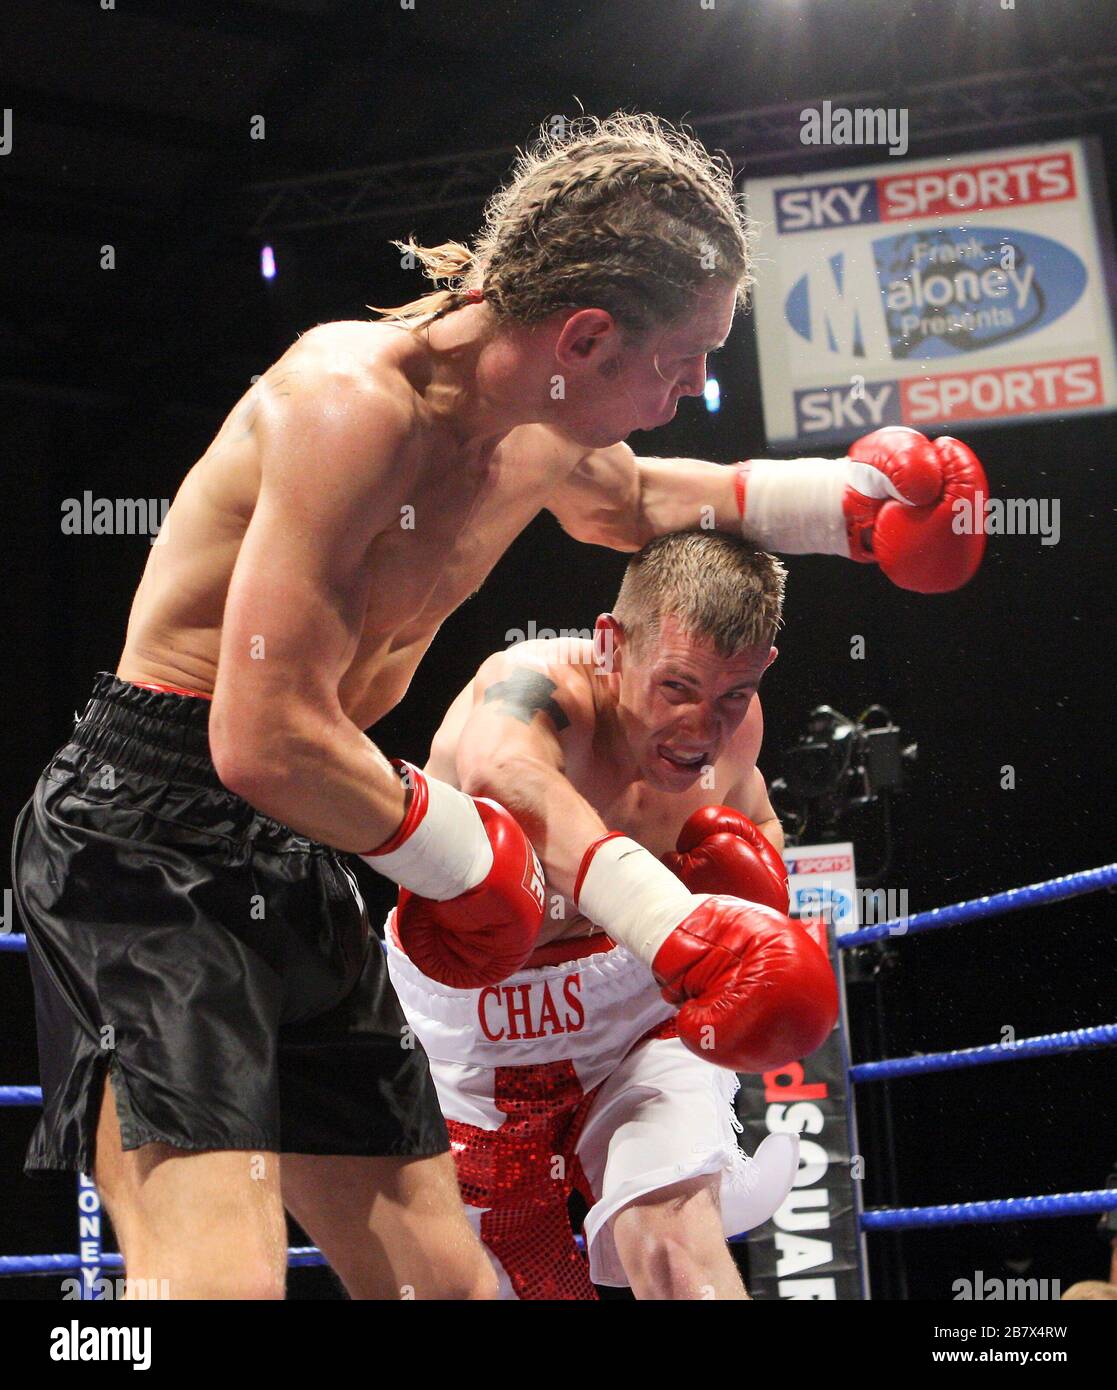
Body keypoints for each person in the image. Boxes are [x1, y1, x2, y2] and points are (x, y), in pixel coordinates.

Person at [12, 111, 985, 1300]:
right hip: (148, 831)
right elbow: (258, 731)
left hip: (306, 823)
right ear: (585, 331)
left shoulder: (537, 425)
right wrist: (472, 854)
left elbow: (639, 504)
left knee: (449, 1284)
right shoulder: (348, 406)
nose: (687, 393)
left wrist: (854, 507)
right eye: (680, 361)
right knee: (221, 1277)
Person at [386, 530, 826, 1299]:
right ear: (610, 644)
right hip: (479, 1025)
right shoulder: (531, 687)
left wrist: (751, 885)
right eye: (678, 687)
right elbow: (504, 772)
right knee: (506, 1284)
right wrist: (664, 914)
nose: (701, 729)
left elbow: (755, 824)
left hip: (633, 1000)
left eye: (733, 694)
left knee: (672, 1235)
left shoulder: (733, 732)